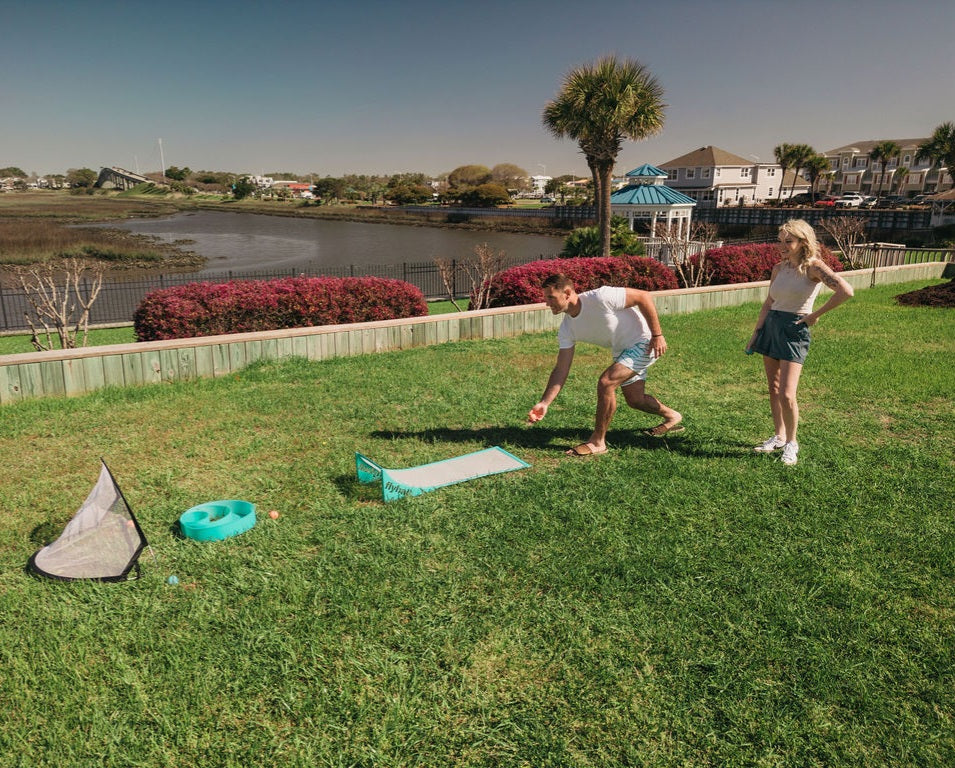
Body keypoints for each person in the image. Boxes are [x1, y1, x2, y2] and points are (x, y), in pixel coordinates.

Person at [527, 274, 683, 456]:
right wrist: (545, 402)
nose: (546, 303)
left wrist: (657, 335)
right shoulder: (567, 329)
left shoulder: (601, 297)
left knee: (606, 382)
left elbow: (643, 296)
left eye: (550, 297)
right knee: (635, 399)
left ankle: (598, 442)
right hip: (622, 350)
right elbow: (561, 369)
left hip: (645, 341)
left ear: (567, 293)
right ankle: (672, 416)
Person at [746, 219, 854, 466]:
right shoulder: (778, 268)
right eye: (780, 241)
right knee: (773, 388)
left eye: (788, 241)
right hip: (771, 326)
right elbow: (769, 302)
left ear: (802, 242)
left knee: (787, 393)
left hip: (795, 329)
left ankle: (792, 443)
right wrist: (756, 331)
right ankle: (779, 436)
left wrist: (814, 315)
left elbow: (846, 291)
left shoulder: (814, 267)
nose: (782, 246)